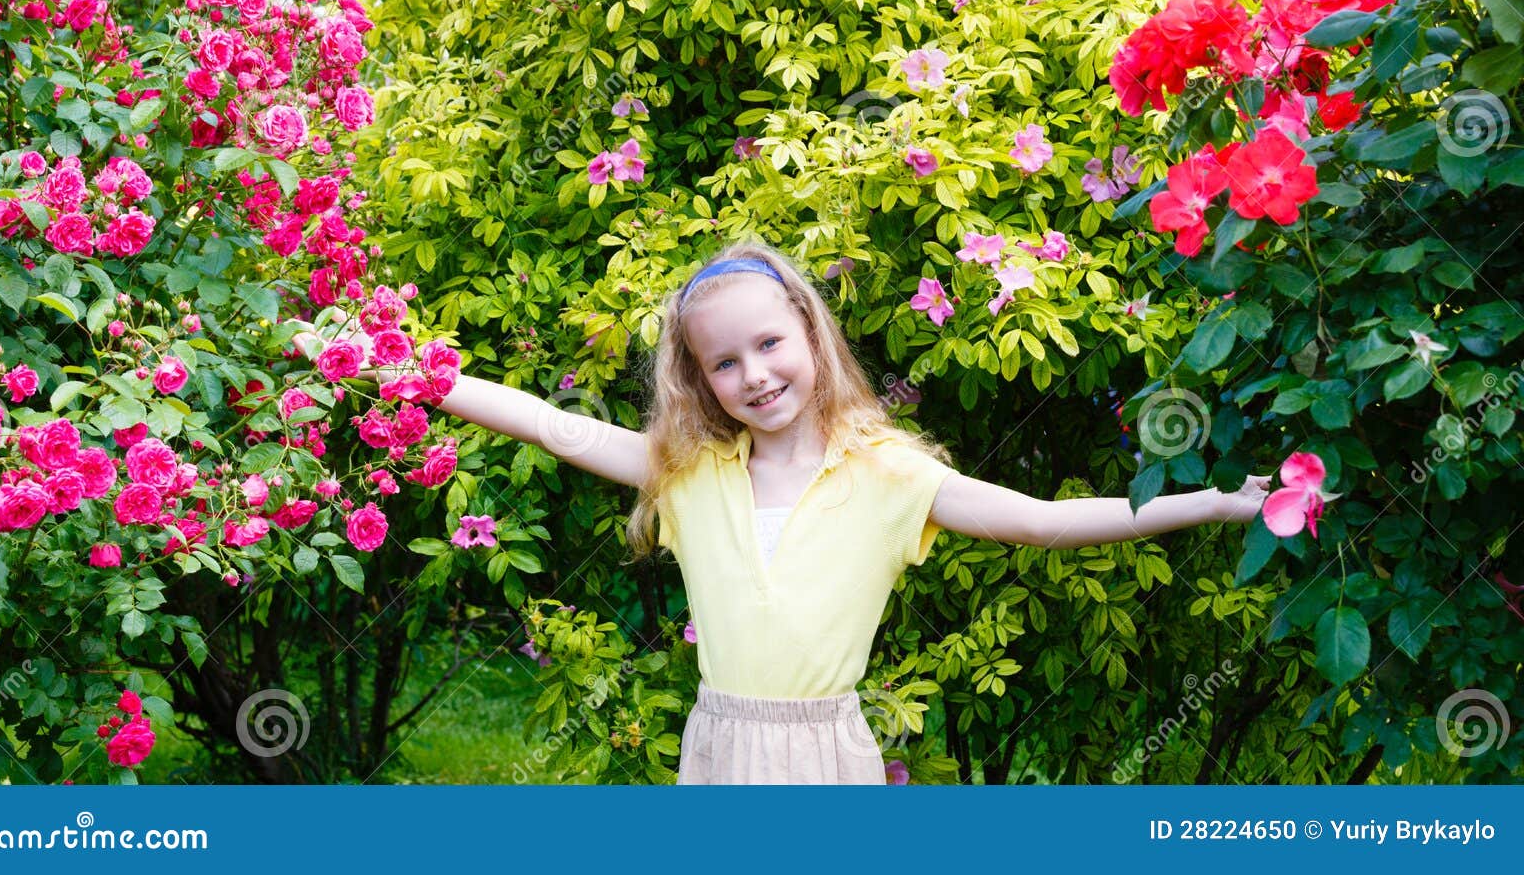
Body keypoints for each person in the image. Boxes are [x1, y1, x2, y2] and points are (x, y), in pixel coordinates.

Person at [306, 239, 1271, 785]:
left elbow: (1040, 519)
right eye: (723, 362)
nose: (753, 374)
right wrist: (399, 368)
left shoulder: (888, 473)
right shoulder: (687, 474)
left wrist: (1223, 501)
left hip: (828, 757)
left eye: (768, 344)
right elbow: (554, 426)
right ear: (700, 378)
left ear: (809, 332)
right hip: (720, 749)